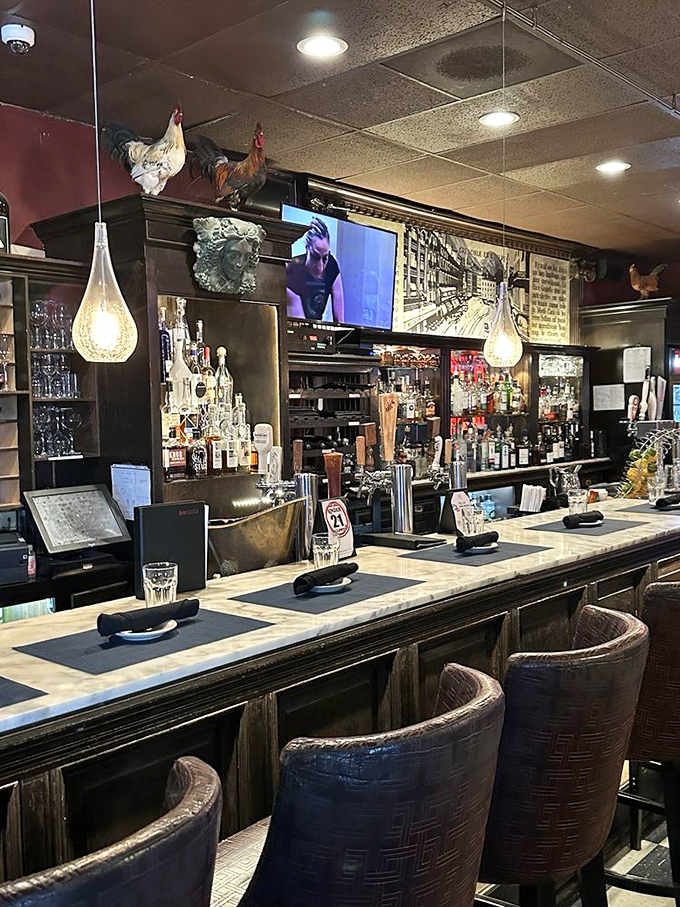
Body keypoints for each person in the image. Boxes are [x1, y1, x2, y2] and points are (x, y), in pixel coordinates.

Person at [286, 217, 345, 322]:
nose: (320, 267)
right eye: (315, 257)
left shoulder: (331, 265)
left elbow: (340, 321)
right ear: (307, 248)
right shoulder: (292, 269)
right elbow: (298, 323)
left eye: (325, 258)